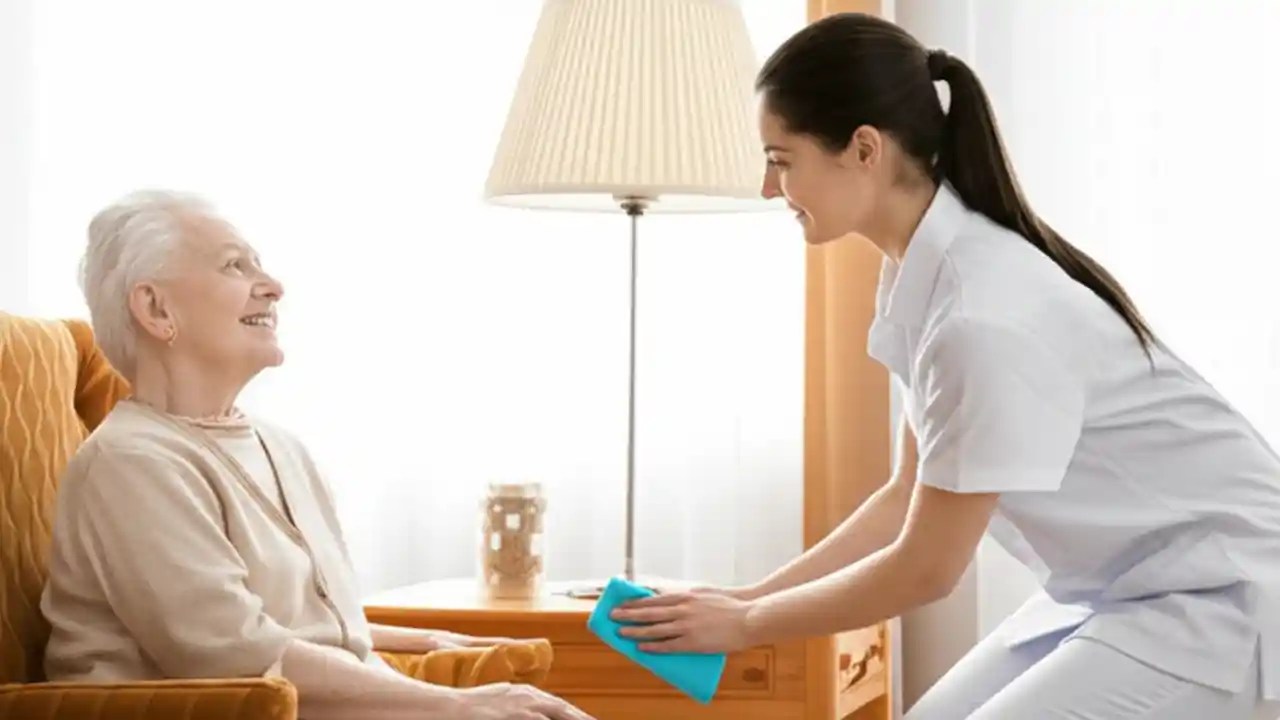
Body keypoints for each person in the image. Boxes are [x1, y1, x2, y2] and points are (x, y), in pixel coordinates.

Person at [610, 12, 1280, 719]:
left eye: (781, 160)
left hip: (1223, 601)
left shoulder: (979, 312)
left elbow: (927, 569)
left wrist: (748, 626)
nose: (770, 189)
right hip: (1127, 589)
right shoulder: (926, 275)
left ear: (863, 149)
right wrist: (749, 599)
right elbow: (907, 494)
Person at [41, 190, 594, 720]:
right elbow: (237, 657)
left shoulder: (283, 448)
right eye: (235, 266)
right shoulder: (132, 464)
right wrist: (454, 706)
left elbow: (298, 624)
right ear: (156, 308)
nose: (274, 286)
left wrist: (421, 642)